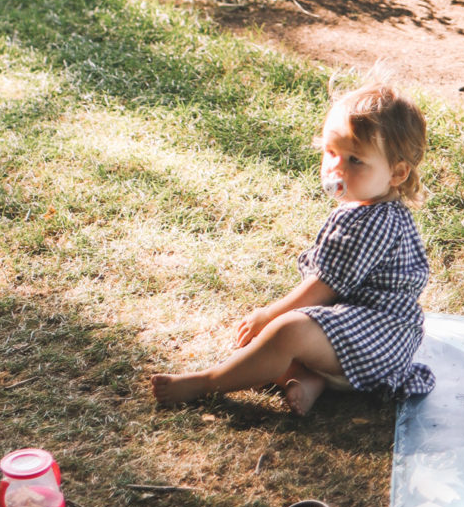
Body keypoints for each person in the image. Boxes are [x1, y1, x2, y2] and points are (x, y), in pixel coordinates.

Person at [152, 82, 434, 412]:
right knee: (276, 340)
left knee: (284, 331)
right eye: (331, 153)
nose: (336, 169)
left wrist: (271, 314)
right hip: (349, 331)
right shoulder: (366, 206)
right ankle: (305, 379)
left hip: (378, 338)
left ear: (397, 173)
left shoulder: (375, 221)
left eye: (355, 160)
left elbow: (324, 288)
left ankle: (207, 382)